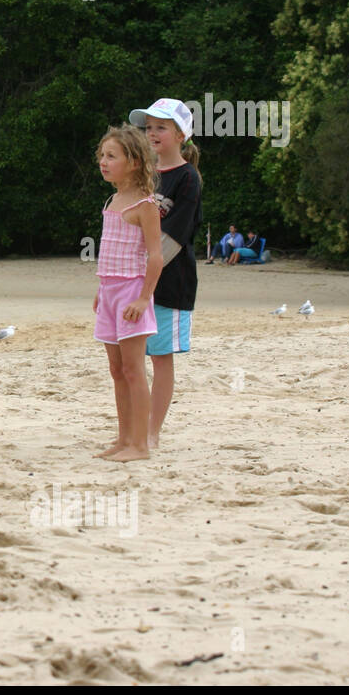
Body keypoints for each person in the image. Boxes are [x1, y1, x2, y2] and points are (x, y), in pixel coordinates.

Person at [129, 97, 203, 450]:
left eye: (161, 127)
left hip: (170, 283)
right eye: (149, 127)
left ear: (180, 135)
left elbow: (173, 239)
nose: (153, 133)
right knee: (131, 357)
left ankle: (152, 431)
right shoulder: (144, 174)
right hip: (135, 281)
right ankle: (134, 427)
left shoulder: (188, 178)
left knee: (160, 357)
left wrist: (146, 283)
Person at [92, 124, 163, 463]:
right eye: (101, 156)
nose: (103, 162)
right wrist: (100, 289)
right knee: (116, 370)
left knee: (134, 369)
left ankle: (141, 444)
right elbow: (109, 251)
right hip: (109, 292)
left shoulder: (146, 204)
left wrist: (142, 298)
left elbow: (156, 256)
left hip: (131, 294)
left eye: (111, 156)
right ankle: (123, 439)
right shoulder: (112, 199)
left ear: (134, 162)